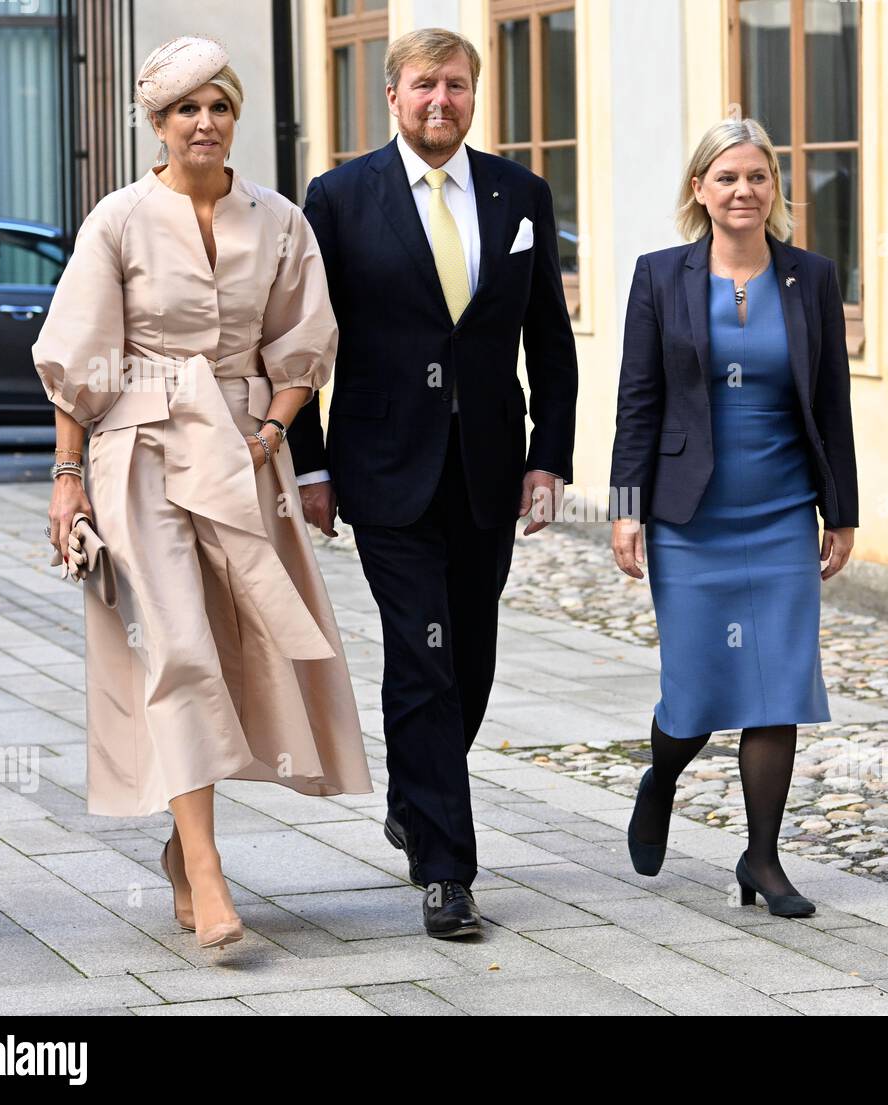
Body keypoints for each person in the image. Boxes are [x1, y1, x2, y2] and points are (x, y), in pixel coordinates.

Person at [34, 35, 372, 951]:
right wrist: (68, 481)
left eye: (219, 106)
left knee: (239, 652)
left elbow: (305, 344)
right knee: (178, 646)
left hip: (244, 453)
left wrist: (269, 435)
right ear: (159, 123)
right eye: (187, 109)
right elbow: (77, 364)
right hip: (139, 450)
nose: (206, 122)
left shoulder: (281, 221)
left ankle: (185, 852)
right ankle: (213, 874)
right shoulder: (118, 220)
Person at [288, 28, 577, 938]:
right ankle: (447, 870)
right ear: (392, 95)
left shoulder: (520, 194)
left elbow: (550, 343)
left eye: (456, 85)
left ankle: (417, 797)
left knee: (472, 657)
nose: (440, 101)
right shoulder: (337, 199)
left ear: (474, 94)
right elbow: (300, 342)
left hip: (488, 467)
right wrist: (312, 461)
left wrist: (550, 455)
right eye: (424, 86)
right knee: (423, 655)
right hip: (384, 471)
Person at [609, 117, 858, 917]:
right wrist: (626, 509)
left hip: (782, 505)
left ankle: (762, 857)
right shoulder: (659, 277)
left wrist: (840, 509)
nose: (742, 190)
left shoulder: (811, 278)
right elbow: (637, 401)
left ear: (774, 186)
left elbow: (831, 401)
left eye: (756, 176)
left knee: (776, 685)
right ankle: (663, 775)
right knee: (697, 687)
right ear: (699, 190)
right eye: (726, 178)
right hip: (690, 515)